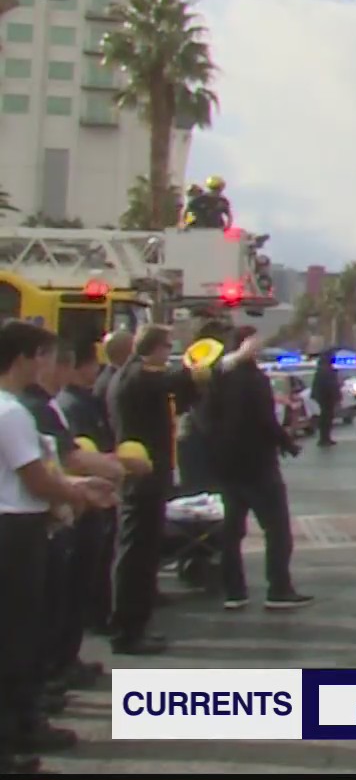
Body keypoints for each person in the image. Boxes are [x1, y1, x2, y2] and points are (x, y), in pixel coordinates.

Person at [0, 320, 118, 771]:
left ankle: (19, 725)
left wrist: (75, 484)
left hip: (17, 526)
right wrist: (80, 493)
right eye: (44, 355)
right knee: (17, 636)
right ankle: (15, 731)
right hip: (17, 532)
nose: (49, 364)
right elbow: (35, 477)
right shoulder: (12, 413)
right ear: (26, 358)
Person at [208, 327, 312, 610]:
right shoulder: (254, 380)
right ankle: (278, 588)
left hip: (227, 465)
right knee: (276, 528)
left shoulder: (218, 377)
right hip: (258, 464)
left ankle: (234, 591)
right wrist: (287, 443)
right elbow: (265, 420)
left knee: (232, 530)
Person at [109, 323, 176, 656]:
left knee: (140, 552)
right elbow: (179, 382)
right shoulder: (138, 376)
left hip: (142, 476)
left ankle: (134, 625)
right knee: (136, 554)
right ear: (155, 348)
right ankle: (128, 630)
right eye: (167, 346)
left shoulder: (128, 375)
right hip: (142, 477)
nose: (169, 354)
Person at [57, 344, 120, 650]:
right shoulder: (70, 404)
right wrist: (110, 466)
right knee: (75, 581)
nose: (96, 369)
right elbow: (75, 455)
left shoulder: (84, 399)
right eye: (92, 364)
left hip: (94, 493)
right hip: (82, 499)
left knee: (97, 563)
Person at [311, 352, 341, 448]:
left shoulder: (322, 370)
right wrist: (336, 395)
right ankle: (324, 438)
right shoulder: (326, 371)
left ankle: (325, 438)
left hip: (325, 397)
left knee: (326, 417)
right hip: (326, 397)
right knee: (326, 418)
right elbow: (330, 385)